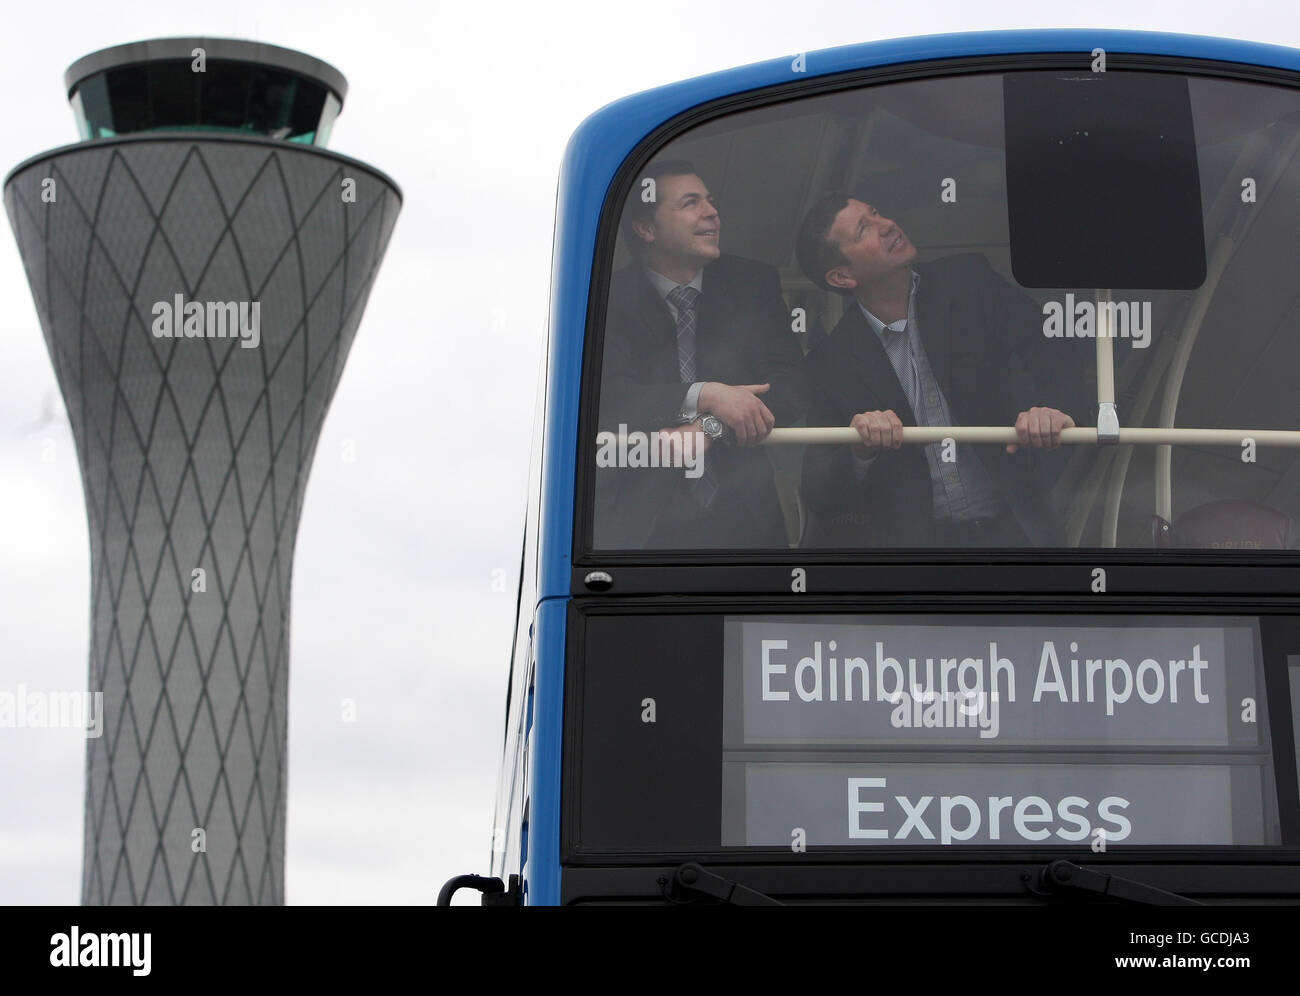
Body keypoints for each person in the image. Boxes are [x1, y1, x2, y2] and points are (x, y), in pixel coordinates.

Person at [794, 193, 1088, 547]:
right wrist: (860, 449)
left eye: (876, 212)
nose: (887, 224)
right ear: (842, 277)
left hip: (1017, 532)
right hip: (917, 559)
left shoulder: (968, 282)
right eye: (864, 229)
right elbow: (819, 494)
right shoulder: (829, 363)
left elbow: (1054, 350)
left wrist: (1051, 411)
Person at [594, 160, 807, 549]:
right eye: (691, 203)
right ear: (646, 229)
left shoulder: (752, 284)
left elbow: (791, 385)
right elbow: (608, 398)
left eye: (710, 201)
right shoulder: (608, 299)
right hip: (641, 528)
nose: (712, 212)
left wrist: (710, 428)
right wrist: (705, 394)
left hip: (746, 520)